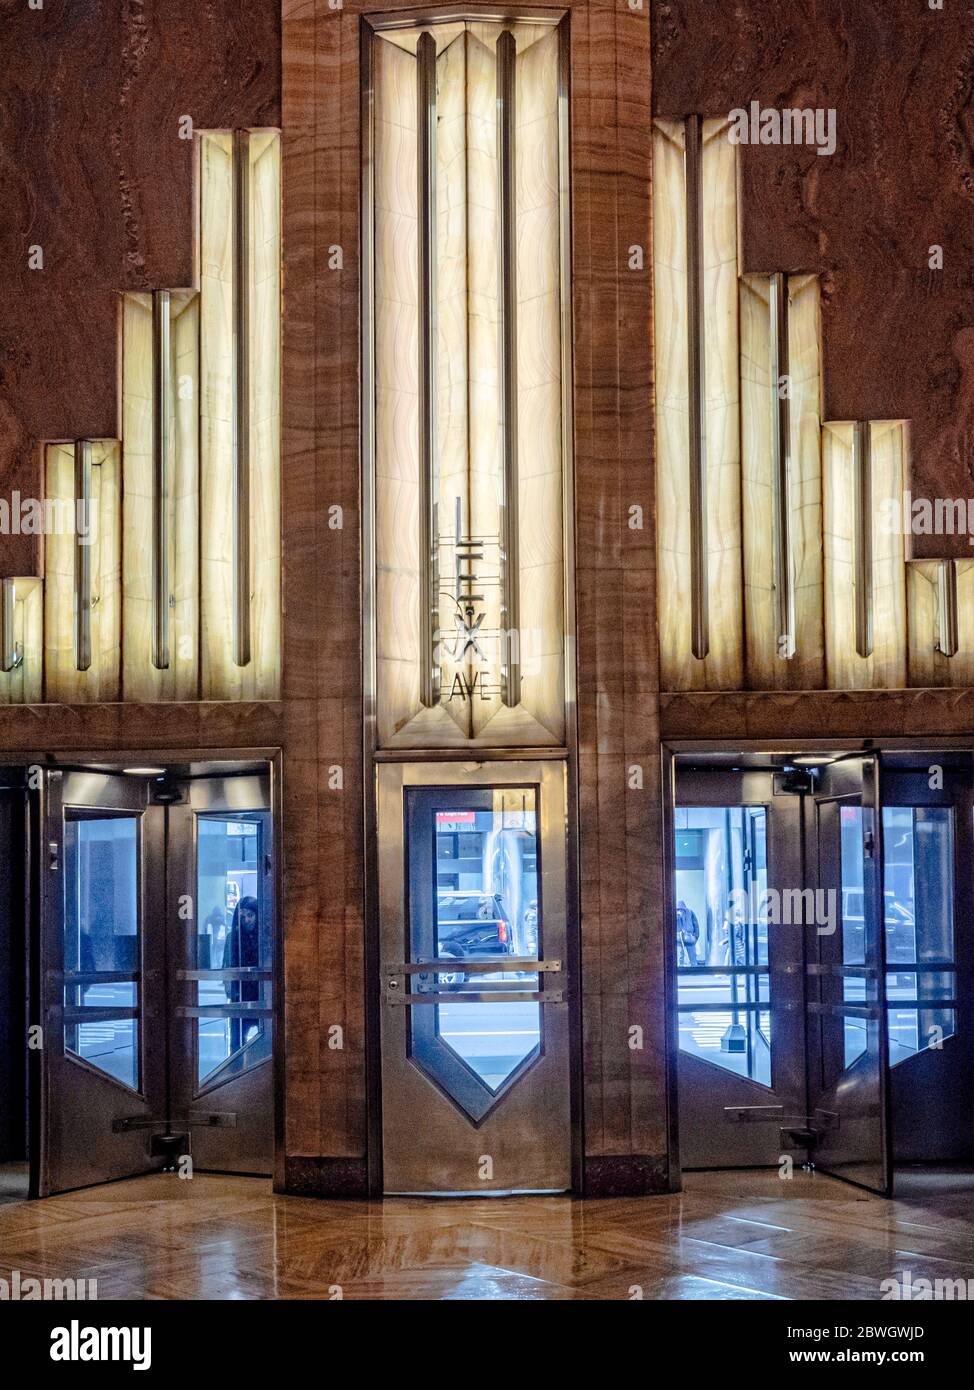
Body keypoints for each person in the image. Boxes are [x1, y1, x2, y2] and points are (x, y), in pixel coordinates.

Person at [223, 896, 261, 1052]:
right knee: (237, 1044)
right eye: (243, 917)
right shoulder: (233, 938)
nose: (246, 920)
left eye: (250, 915)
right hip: (240, 995)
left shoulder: (264, 938)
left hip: (260, 996)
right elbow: (227, 968)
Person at [675, 899, 700, 967]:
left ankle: (694, 969)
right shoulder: (674, 915)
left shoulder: (690, 912)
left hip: (689, 937)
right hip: (678, 938)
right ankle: (680, 970)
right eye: (678, 909)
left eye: (681, 909)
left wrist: (696, 936)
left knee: (692, 956)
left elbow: (696, 925)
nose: (680, 911)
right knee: (680, 956)